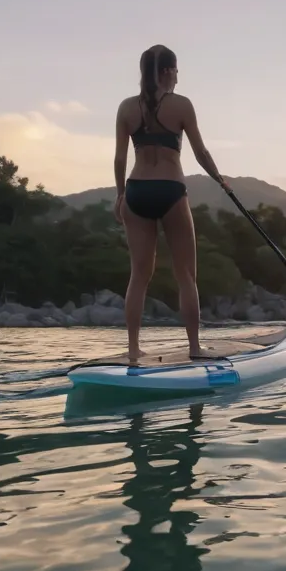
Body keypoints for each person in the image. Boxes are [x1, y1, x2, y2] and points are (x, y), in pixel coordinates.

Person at [112, 44, 228, 361]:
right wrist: (220, 179)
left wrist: (120, 195)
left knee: (139, 275)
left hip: (136, 191)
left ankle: (133, 349)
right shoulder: (181, 106)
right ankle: (194, 348)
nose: (178, 75)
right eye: (176, 70)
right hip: (170, 190)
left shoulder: (126, 108)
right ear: (167, 71)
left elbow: (120, 158)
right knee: (186, 275)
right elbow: (201, 153)